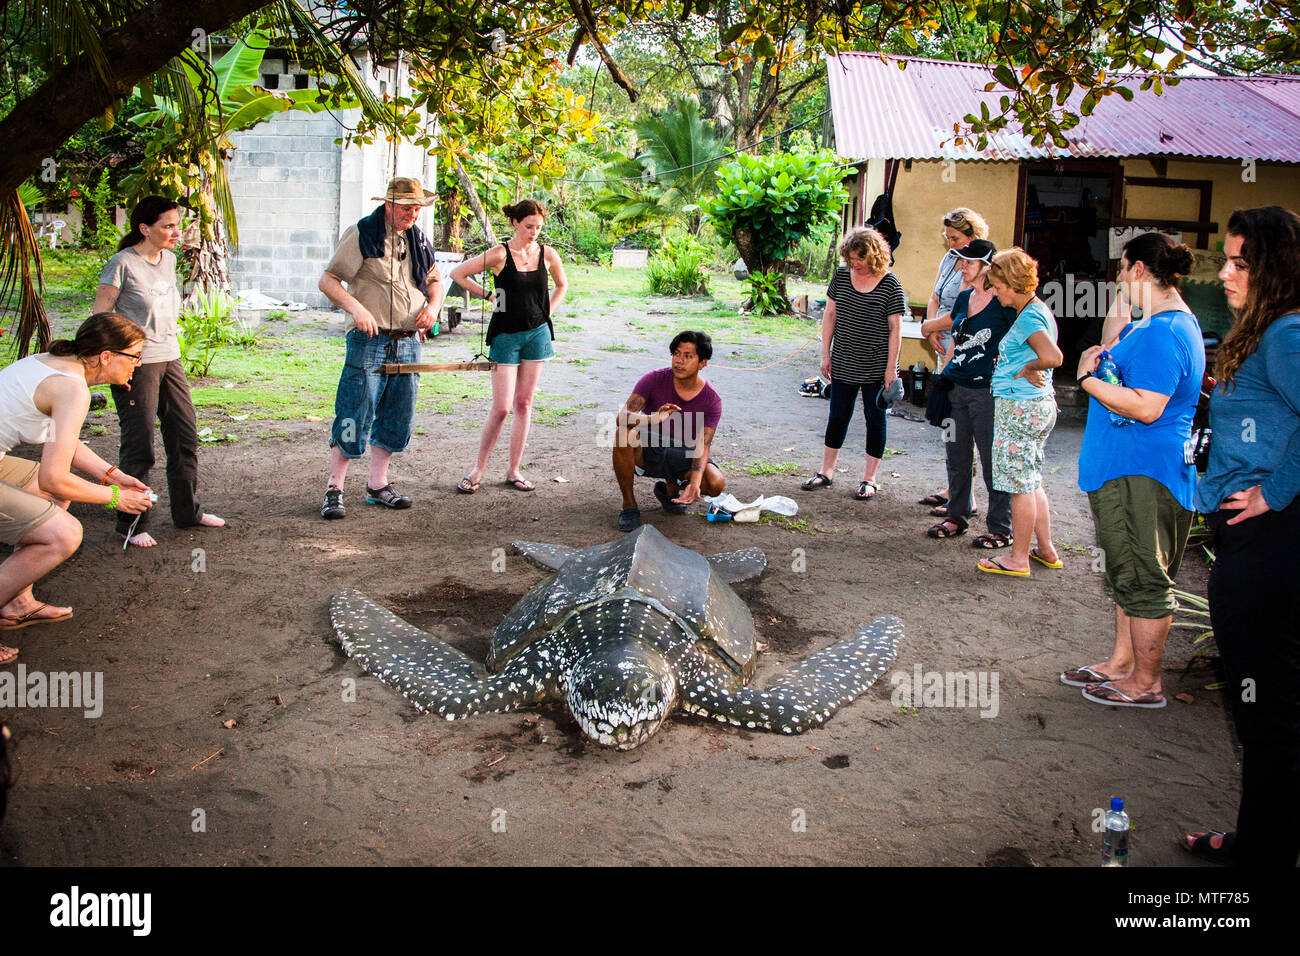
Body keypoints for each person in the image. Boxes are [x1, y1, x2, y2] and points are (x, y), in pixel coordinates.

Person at [1181, 206, 1300, 867]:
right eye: (1226, 260)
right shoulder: (1266, 331)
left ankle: (1264, 852)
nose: (1224, 273)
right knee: (1267, 706)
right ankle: (1263, 839)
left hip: (1269, 541)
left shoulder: (1285, 334)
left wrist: (1274, 492)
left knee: (1267, 711)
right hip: (1254, 535)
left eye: (1239, 263)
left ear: (1274, 270)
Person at [1062, 233, 1204, 709]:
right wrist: (1127, 297)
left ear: (1140, 268)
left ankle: (1146, 683)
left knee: (1143, 579)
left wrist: (1086, 381)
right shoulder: (1157, 324)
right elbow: (1113, 339)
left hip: (1140, 474)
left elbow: (1146, 407)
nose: (1118, 279)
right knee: (1127, 574)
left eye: (1123, 269)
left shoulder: (1165, 332)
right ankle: (1122, 663)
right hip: (1128, 471)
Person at [0, 313, 154, 664]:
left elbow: (62, 440)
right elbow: (52, 477)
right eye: (135, 356)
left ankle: (17, 601)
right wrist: (116, 498)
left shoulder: (56, 365)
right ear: (107, 357)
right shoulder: (72, 388)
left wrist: (112, 475)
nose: (138, 365)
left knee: (57, 497)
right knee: (64, 534)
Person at [92, 196, 223, 545]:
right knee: (140, 445)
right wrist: (106, 360)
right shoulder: (122, 263)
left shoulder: (169, 260)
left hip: (170, 357)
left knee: (184, 435)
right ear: (145, 228)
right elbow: (100, 315)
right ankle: (132, 523)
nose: (176, 232)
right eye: (168, 226)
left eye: (177, 225)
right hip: (135, 364)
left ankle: (188, 512)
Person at [318, 177, 445, 518]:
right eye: (407, 208)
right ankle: (334, 488)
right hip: (369, 340)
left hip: (408, 341)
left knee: (398, 412)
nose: (413, 214)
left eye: (417, 208)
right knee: (354, 410)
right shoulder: (363, 233)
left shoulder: (418, 239)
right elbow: (328, 280)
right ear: (388, 205)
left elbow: (435, 282)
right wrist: (357, 310)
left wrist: (433, 308)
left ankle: (378, 485)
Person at [451, 199, 568, 494]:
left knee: (524, 403)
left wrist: (547, 311)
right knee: (502, 408)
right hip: (505, 334)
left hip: (537, 334)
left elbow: (562, 285)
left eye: (538, 227)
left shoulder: (548, 254)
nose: (534, 232)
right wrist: (488, 295)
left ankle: (514, 470)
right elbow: (458, 274)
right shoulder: (500, 253)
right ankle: (478, 469)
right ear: (516, 223)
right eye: (529, 226)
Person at [976, 248, 1063, 577]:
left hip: (1020, 408)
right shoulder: (1036, 310)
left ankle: (1018, 558)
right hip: (1034, 405)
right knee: (1031, 479)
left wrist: (1028, 367)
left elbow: (1053, 357)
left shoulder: (1029, 318)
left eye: (998, 287)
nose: (995, 293)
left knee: (1019, 485)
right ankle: (1046, 549)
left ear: (1013, 285)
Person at [800, 226, 904, 501]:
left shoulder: (890, 283)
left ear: (874, 255)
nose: (854, 263)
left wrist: (891, 369)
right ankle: (826, 471)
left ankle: (870, 479)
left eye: (860, 258)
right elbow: (830, 315)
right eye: (851, 258)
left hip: (876, 365)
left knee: (875, 419)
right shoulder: (841, 276)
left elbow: (895, 328)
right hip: (844, 360)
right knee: (837, 416)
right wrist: (825, 354)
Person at [925, 239, 1017, 547]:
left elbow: (1027, 338)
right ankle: (957, 516)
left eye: (968, 261)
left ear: (987, 267)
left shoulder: (1004, 302)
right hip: (956, 390)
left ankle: (1001, 528)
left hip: (987, 393)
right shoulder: (964, 297)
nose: (961, 266)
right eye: (960, 260)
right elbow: (957, 336)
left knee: (992, 460)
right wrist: (944, 372)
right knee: (956, 454)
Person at [612, 331, 724, 532]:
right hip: (650, 448)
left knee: (715, 483)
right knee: (623, 434)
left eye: (688, 356)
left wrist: (694, 483)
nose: (679, 361)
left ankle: (670, 490)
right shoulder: (653, 379)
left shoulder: (712, 400)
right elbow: (622, 417)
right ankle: (629, 506)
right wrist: (653, 418)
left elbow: (703, 444)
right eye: (676, 354)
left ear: (702, 363)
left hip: (684, 453)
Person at [918, 207, 990, 512]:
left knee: (961, 426)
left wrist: (928, 327)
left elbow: (962, 313)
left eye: (956, 238)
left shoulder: (976, 266)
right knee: (950, 425)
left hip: (960, 353)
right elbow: (935, 296)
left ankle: (965, 496)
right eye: (947, 237)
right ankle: (954, 488)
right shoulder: (950, 258)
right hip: (942, 345)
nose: (950, 244)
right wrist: (932, 328)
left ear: (972, 236)